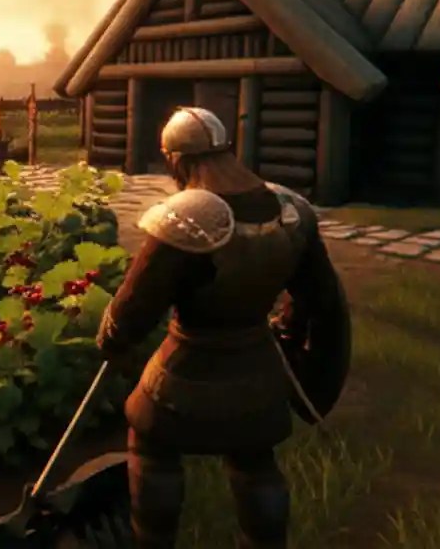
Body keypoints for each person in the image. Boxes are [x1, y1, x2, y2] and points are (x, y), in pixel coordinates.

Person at [95, 106, 348, 549]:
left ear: (177, 160)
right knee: (254, 459)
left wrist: (112, 339)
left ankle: (153, 541)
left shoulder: (186, 216)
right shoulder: (288, 208)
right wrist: (289, 330)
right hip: (258, 367)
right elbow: (321, 298)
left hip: (185, 372)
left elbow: (133, 309)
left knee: (151, 442)